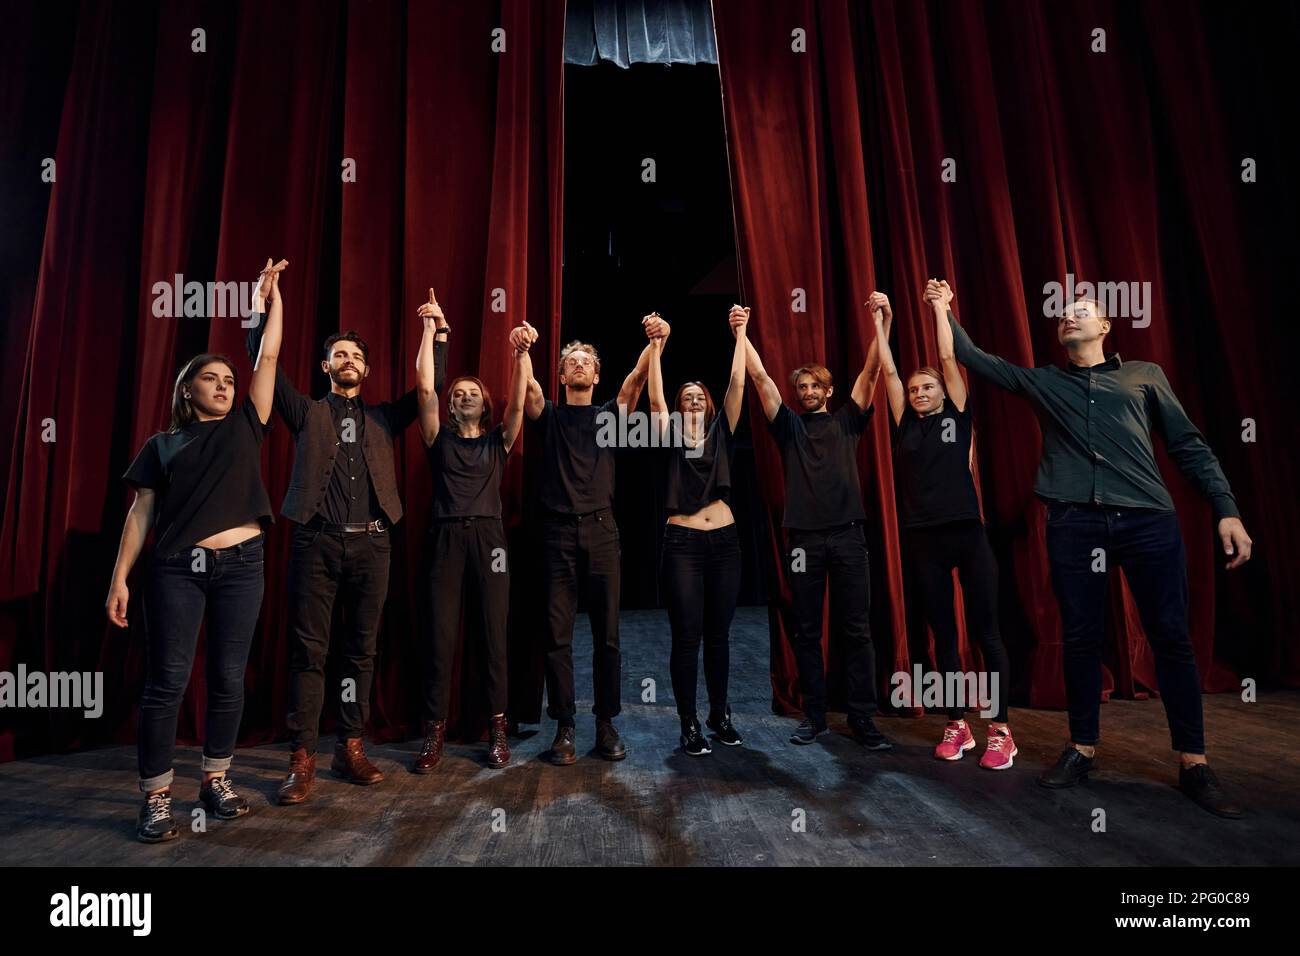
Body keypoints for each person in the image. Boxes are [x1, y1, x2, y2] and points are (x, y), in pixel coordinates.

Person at [941, 278, 1252, 816]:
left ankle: (1194, 762)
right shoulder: (1043, 382)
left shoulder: (1143, 376)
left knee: (1171, 638)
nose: (1069, 316)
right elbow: (970, 356)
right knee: (1081, 638)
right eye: (1063, 312)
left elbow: (1187, 444)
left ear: (1106, 327)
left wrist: (1225, 507)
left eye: (1082, 310)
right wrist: (944, 307)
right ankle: (1082, 748)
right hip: (1074, 524)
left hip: (1147, 520)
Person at [244, 279, 446, 805]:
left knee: (361, 651)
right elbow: (262, 360)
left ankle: (349, 746)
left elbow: (429, 387)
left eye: (356, 355)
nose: (348, 359)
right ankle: (301, 758)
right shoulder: (305, 411)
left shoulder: (383, 417)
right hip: (315, 544)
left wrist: (434, 332)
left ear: (367, 369)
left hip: (374, 547)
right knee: (309, 652)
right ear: (326, 367)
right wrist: (262, 307)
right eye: (339, 354)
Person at [108, 258, 285, 842]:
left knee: (230, 677)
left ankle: (216, 778)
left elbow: (270, 357)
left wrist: (269, 298)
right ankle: (157, 796)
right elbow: (140, 514)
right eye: (213, 379)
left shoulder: (246, 425)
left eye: (230, 380)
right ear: (189, 387)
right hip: (178, 569)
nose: (226, 385)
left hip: (243, 565)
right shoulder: (163, 444)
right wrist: (120, 580)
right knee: (169, 681)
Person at [869, 288, 1014, 768]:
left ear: (943, 391)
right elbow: (887, 371)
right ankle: (957, 725)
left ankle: (1000, 729)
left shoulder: (958, 413)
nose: (918, 392)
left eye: (926, 386)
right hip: (923, 538)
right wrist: (880, 323)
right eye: (914, 390)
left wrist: (938, 307)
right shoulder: (904, 423)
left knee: (986, 633)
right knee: (943, 638)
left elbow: (948, 355)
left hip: (967, 535)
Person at [739, 307, 892, 749]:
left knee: (856, 628)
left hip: (847, 535)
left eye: (813, 386)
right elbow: (761, 379)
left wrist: (882, 320)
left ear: (828, 390)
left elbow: (872, 369)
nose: (806, 391)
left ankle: (862, 718)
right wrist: (742, 331)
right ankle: (815, 716)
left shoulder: (847, 420)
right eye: (801, 387)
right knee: (807, 630)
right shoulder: (787, 427)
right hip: (803, 540)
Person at [520, 314, 668, 765]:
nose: (579, 365)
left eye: (586, 361)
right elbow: (526, 391)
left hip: (602, 530)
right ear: (562, 375)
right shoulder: (549, 415)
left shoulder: (608, 418)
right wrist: (522, 349)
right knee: (556, 635)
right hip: (556, 532)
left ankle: (605, 723)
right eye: (572, 361)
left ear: (596, 374)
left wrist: (655, 341)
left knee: (607, 635)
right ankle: (564, 725)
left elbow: (638, 380)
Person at [412, 291, 530, 771]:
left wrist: (521, 356)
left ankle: (497, 731)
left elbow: (520, 403)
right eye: (456, 392)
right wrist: (430, 329)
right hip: (444, 539)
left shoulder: (499, 441)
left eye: (472, 392)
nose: (463, 396)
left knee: (492, 637)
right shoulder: (436, 438)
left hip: (489, 541)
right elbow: (423, 390)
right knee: (440, 640)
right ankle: (433, 735)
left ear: (484, 403)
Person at [646, 305, 748, 755]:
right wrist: (655, 348)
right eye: (684, 396)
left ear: (708, 403)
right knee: (687, 637)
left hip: (725, 543)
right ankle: (689, 722)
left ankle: (719, 713)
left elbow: (739, 383)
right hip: (683, 544)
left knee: (720, 636)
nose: (691, 401)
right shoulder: (669, 432)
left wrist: (740, 334)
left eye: (698, 396)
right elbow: (653, 399)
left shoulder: (721, 429)